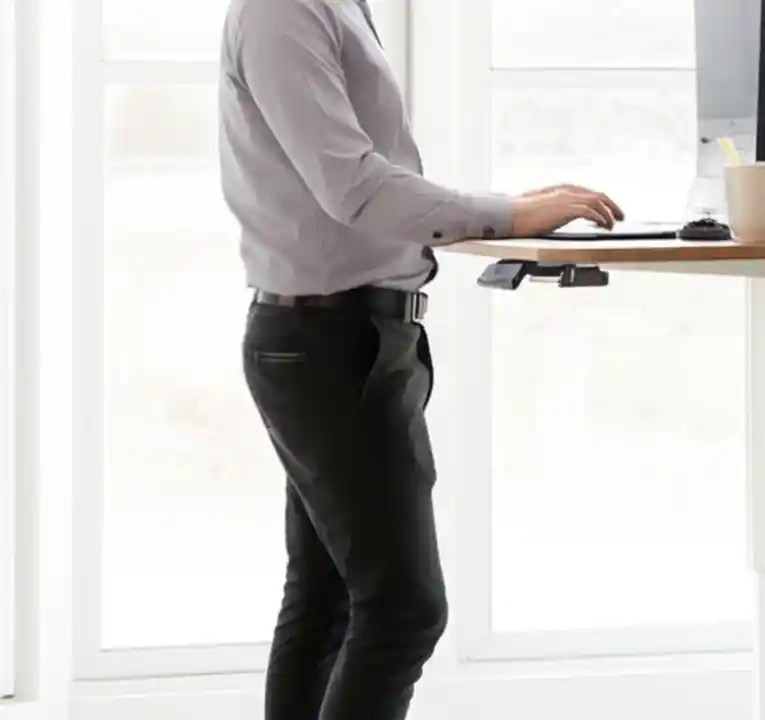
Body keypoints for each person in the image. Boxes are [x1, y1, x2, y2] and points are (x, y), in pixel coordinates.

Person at [218, 0, 624, 718]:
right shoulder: (283, 9)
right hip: (328, 342)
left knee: (328, 597)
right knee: (403, 608)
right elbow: (353, 185)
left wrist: (504, 207)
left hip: (352, 335)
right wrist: (504, 214)